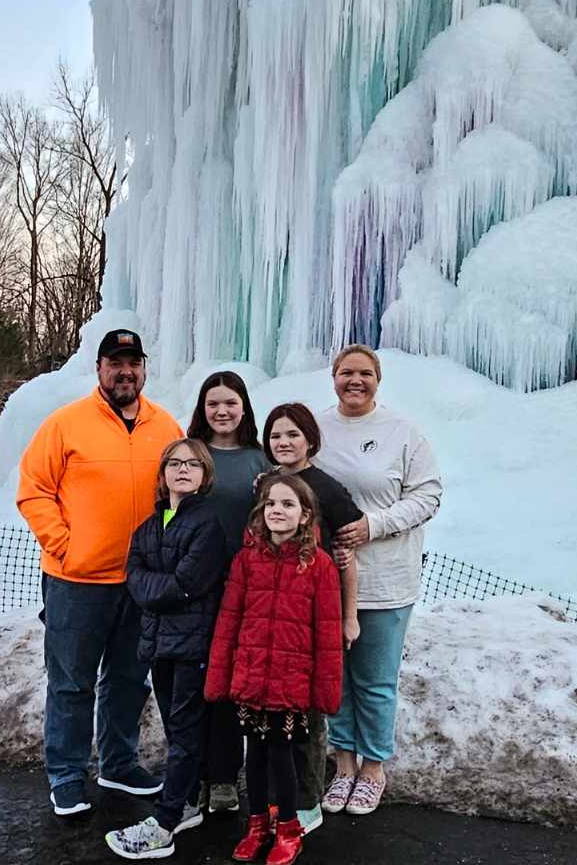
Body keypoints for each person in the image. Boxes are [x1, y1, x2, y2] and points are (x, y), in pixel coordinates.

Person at [18, 329, 185, 817]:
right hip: (77, 582)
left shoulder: (166, 426)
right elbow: (34, 491)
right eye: (115, 362)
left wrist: (170, 552)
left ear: (144, 369)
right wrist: (65, 547)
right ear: (99, 369)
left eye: (133, 362)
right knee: (72, 682)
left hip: (140, 583)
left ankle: (118, 763)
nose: (125, 371)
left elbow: (182, 493)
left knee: (130, 679)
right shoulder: (66, 424)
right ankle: (67, 774)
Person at [312, 344, 441, 817]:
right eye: (347, 372)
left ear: (377, 379)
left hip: (386, 580)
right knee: (336, 676)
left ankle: (373, 769)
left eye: (365, 373)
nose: (355, 381)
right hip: (327, 576)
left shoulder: (403, 432)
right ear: (334, 378)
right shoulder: (318, 429)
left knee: (376, 680)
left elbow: (428, 495)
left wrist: (374, 525)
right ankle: (343, 763)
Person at [205, 474, 344, 865]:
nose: (277, 511)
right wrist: (221, 676)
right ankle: (257, 827)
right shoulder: (247, 561)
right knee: (255, 755)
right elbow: (229, 621)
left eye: (287, 505)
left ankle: (288, 828)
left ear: (305, 516)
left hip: (291, 680)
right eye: (270, 504)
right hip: (251, 674)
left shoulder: (319, 566)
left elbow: (328, 634)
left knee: (283, 756)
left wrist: (324, 691)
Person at [104, 439, 228, 860]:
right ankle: (189, 800)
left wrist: (156, 588)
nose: (182, 470)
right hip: (159, 644)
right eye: (174, 463)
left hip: (193, 645)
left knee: (187, 731)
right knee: (177, 729)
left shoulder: (207, 525)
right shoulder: (150, 526)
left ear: (204, 476)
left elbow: (186, 583)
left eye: (192, 464)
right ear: (163, 474)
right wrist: (161, 588)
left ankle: (165, 821)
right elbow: (134, 577)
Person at [260, 402, 362, 834]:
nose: (284, 443)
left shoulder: (328, 489)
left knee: (309, 714)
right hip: (272, 616)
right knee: (274, 711)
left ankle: (308, 799)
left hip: (314, 616)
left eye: (293, 435)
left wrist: (348, 616)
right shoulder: (265, 485)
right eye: (277, 436)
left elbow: (348, 555)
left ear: (310, 441)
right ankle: (276, 798)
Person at [186, 370, 272, 815]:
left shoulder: (260, 460)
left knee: (228, 683)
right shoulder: (190, 456)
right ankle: (191, 772)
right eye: (213, 403)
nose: (222, 411)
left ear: (244, 409)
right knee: (192, 682)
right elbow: (167, 512)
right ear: (202, 409)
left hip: (241, 589)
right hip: (190, 588)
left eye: (230, 403)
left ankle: (222, 776)